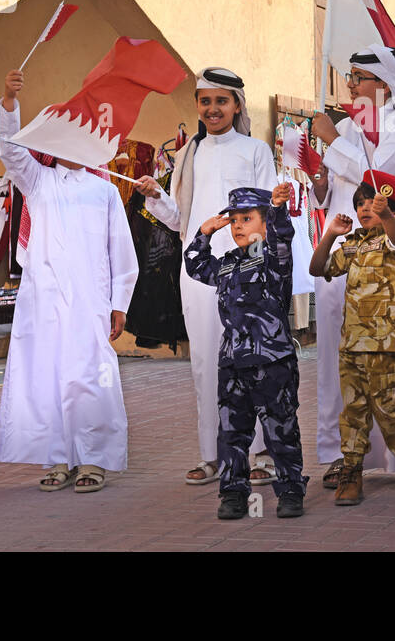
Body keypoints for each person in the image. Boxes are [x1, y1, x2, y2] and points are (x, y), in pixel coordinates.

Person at [0, 69, 138, 493]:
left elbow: (122, 254)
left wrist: (119, 303)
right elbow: (10, 153)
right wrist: (9, 104)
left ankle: (92, 459)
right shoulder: (39, 182)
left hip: (90, 300)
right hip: (44, 298)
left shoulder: (105, 192)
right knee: (49, 374)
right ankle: (57, 457)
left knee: (90, 375)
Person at [135, 67, 278, 488]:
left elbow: (266, 213)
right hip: (197, 269)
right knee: (204, 362)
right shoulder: (187, 154)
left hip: (246, 269)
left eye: (221, 100)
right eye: (205, 101)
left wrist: (258, 268)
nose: (212, 109)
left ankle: (261, 455)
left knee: (251, 357)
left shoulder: (255, 151)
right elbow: (179, 218)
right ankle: (214, 454)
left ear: (236, 105)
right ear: (197, 105)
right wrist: (156, 196)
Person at [309, 45, 395, 490]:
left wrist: (332, 141)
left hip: (390, 259)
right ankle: (347, 457)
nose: (351, 85)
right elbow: (336, 190)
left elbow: (378, 183)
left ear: (383, 84)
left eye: (358, 76)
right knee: (341, 361)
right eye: (350, 76)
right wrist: (320, 184)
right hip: (346, 253)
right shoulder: (344, 127)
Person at [185, 185, 307, 519]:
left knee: (281, 429)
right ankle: (233, 494)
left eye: (247, 218)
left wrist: (278, 210)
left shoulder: (273, 261)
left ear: (265, 224)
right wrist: (204, 232)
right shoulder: (226, 265)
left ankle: (291, 490)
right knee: (232, 433)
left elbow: (282, 238)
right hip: (234, 363)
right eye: (234, 219)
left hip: (272, 362)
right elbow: (195, 266)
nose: (238, 225)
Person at [309, 170, 395, 506]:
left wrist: (387, 215)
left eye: (372, 204)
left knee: (394, 411)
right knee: (353, 414)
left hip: (387, 347)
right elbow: (318, 269)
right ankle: (352, 473)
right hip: (351, 347)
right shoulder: (353, 245)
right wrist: (331, 235)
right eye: (360, 203)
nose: (364, 209)